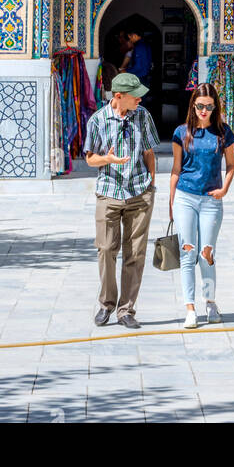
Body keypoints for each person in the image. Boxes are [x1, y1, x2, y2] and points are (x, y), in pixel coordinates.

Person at [84, 71, 160, 329]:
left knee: (135, 253)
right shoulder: (97, 121)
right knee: (106, 249)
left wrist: (151, 183)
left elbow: (149, 151)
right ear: (118, 97)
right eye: (135, 96)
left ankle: (126, 309)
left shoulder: (143, 116)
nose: (140, 100)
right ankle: (106, 304)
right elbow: (90, 158)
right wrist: (108, 160)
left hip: (139, 193)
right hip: (109, 192)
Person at [169, 82, 234, 329]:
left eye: (209, 106)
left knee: (206, 253)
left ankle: (210, 301)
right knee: (188, 253)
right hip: (185, 197)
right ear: (193, 105)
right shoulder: (181, 132)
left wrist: (224, 189)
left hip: (211, 200)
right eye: (200, 106)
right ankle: (190, 308)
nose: (204, 111)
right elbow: (176, 169)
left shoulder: (223, 133)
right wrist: (171, 202)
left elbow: (230, 166)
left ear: (215, 106)